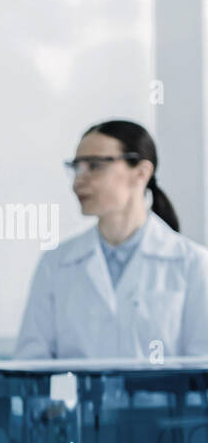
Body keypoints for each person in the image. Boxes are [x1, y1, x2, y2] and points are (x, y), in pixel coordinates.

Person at [15, 120, 208, 360]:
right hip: (79, 400)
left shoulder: (193, 264)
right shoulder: (55, 264)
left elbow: (201, 370)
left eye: (95, 166)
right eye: (76, 168)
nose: (77, 182)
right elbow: (32, 362)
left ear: (141, 173)